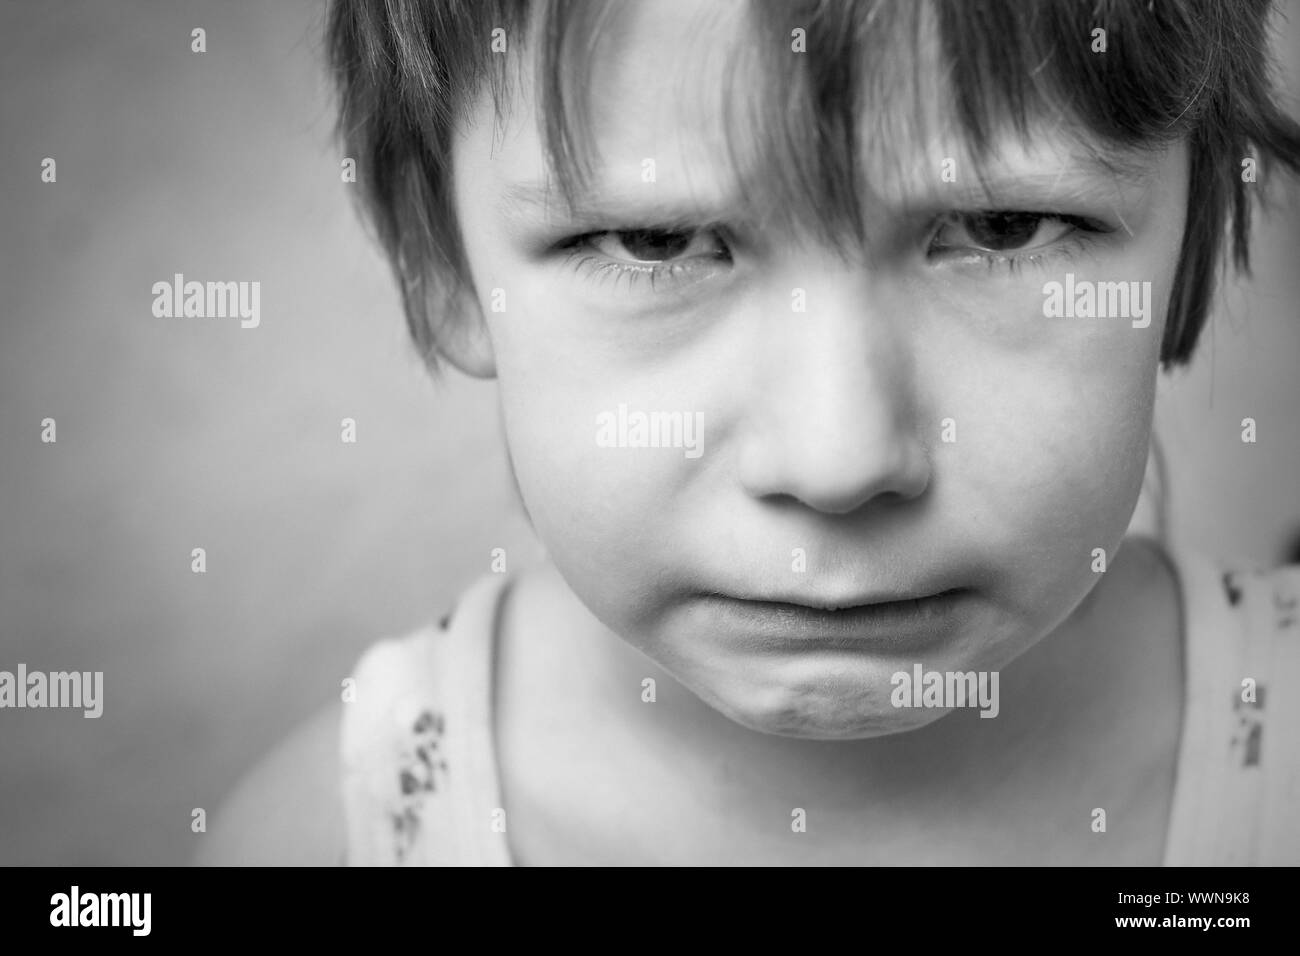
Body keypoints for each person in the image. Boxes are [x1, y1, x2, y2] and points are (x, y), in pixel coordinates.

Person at [198, 0, 1300, 866]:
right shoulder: (337, 842)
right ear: (439, 259)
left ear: (1201, 228)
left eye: (1002, 228)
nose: (838, 459)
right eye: (655, 241)